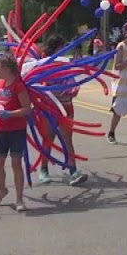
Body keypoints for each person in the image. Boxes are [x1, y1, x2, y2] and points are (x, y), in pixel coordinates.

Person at [37, 36, 86, 186]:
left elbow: (71, 81)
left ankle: (73, 171)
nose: (65, 49)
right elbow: (40, 85)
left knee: (67, 139)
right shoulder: (45, 65)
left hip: (66, 107)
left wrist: (73, 88)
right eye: (62, 47)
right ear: (57, 47)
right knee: (48, 139)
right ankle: (43, 170)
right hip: (49, 108)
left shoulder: (65, 63)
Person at [0, 54, 31, 212]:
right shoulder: (0, 84)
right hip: (1, 129)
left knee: (16, 163)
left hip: (16, 130)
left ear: (7, 69)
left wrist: (11, 114)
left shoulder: (18, 86)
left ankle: (19, 199)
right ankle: (2, 190)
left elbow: (27, 108)